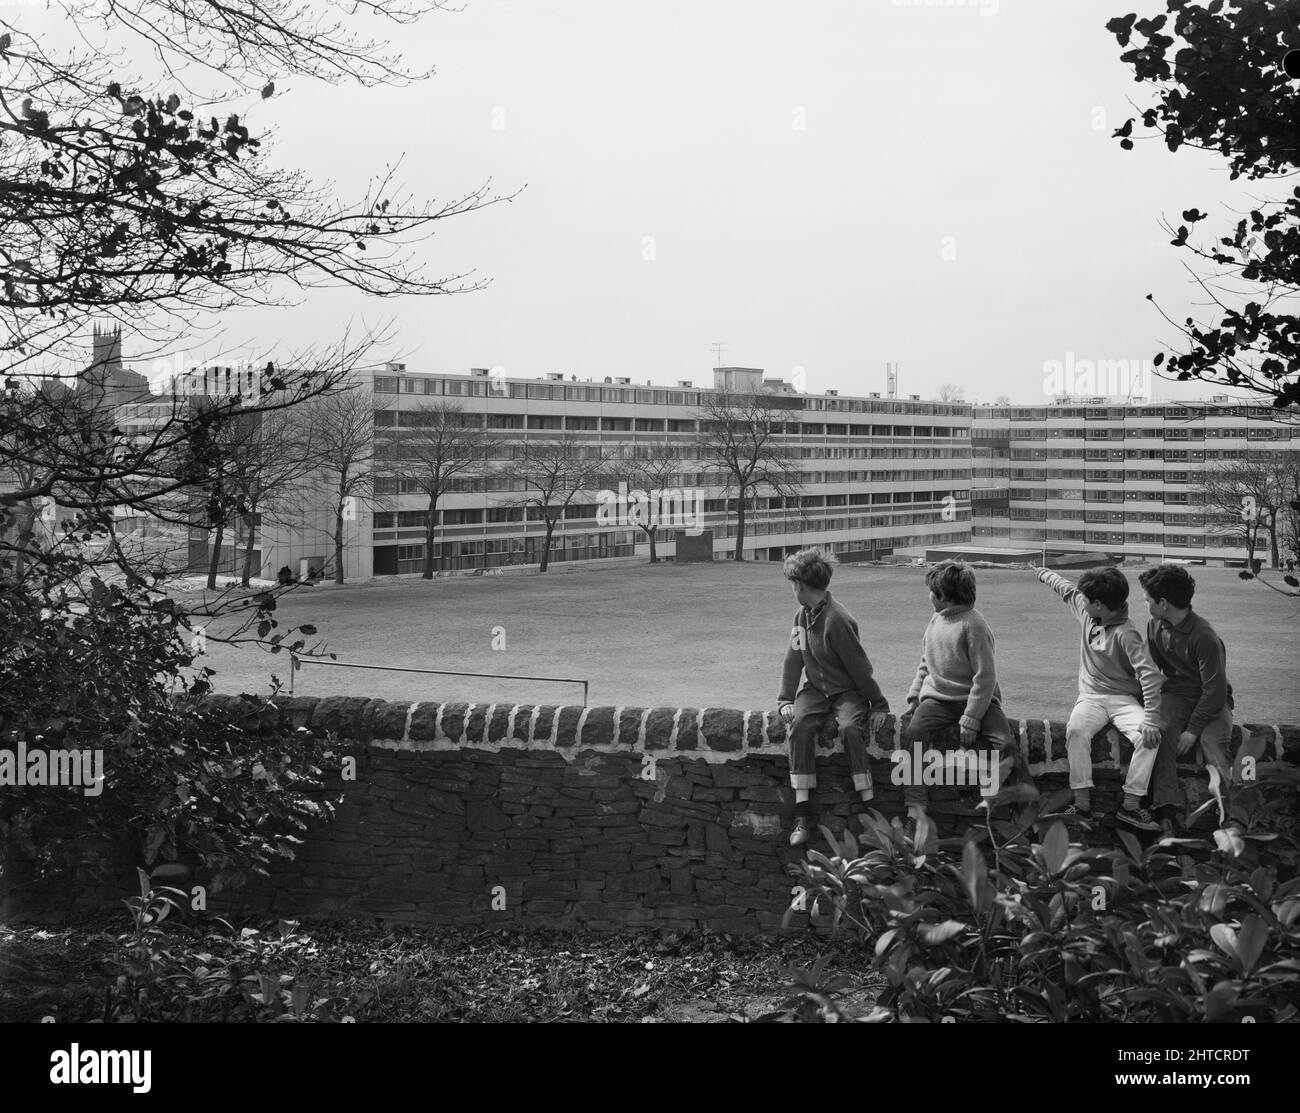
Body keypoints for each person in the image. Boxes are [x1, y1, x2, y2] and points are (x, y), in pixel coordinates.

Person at [1035, 565, 1164, 830]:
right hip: (1091, 697)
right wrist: (1043, 573)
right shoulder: (1087, 610)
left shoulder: (1127, 634)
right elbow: (1065, 589)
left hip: (1123, 699)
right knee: (1076, 731)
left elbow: (1150, 675)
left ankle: (1131, 805)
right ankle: (1082, 805)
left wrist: (1151, 719)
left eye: (1086, 599)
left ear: (1099, 605)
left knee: (1148, 738)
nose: (1080, 600)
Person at [777, 548, 889, 847]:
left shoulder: (838, 620)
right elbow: (793, 659)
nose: (792, 589)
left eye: (792, 584)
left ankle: (868, 804)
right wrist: (785, 699)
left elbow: (860, 668)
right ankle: (802, 813)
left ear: (801, 586)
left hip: (847, 691)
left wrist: (878, 703)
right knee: (799, 726)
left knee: (850, 728)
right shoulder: (801, 617)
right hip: (815, 691)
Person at [901, 561, 1017, 830]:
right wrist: (914, 697)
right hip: (938, 699)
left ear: (944, 595)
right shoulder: (936, 620)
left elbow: (985, 677)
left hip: (978, 702)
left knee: (1006, 745)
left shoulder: (974, 625)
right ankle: (915, 807)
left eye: (932, 592)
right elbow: (925, 663)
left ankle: (1024, 807)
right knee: (914, 734)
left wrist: (971, 718)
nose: (929, 596)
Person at [1139, 564, 1250, 836]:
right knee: (1162, 735)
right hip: (1176, 695)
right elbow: (1149, 671)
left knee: (1212, 742)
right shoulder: (1155, 625)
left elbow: (1215, 691)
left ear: (1163, 603)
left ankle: (1235, 817)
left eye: (1147, 599)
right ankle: (1166, 810)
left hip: (1212, 701)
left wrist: (1192, 730)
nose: (1145, 604)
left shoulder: (1204, 636)